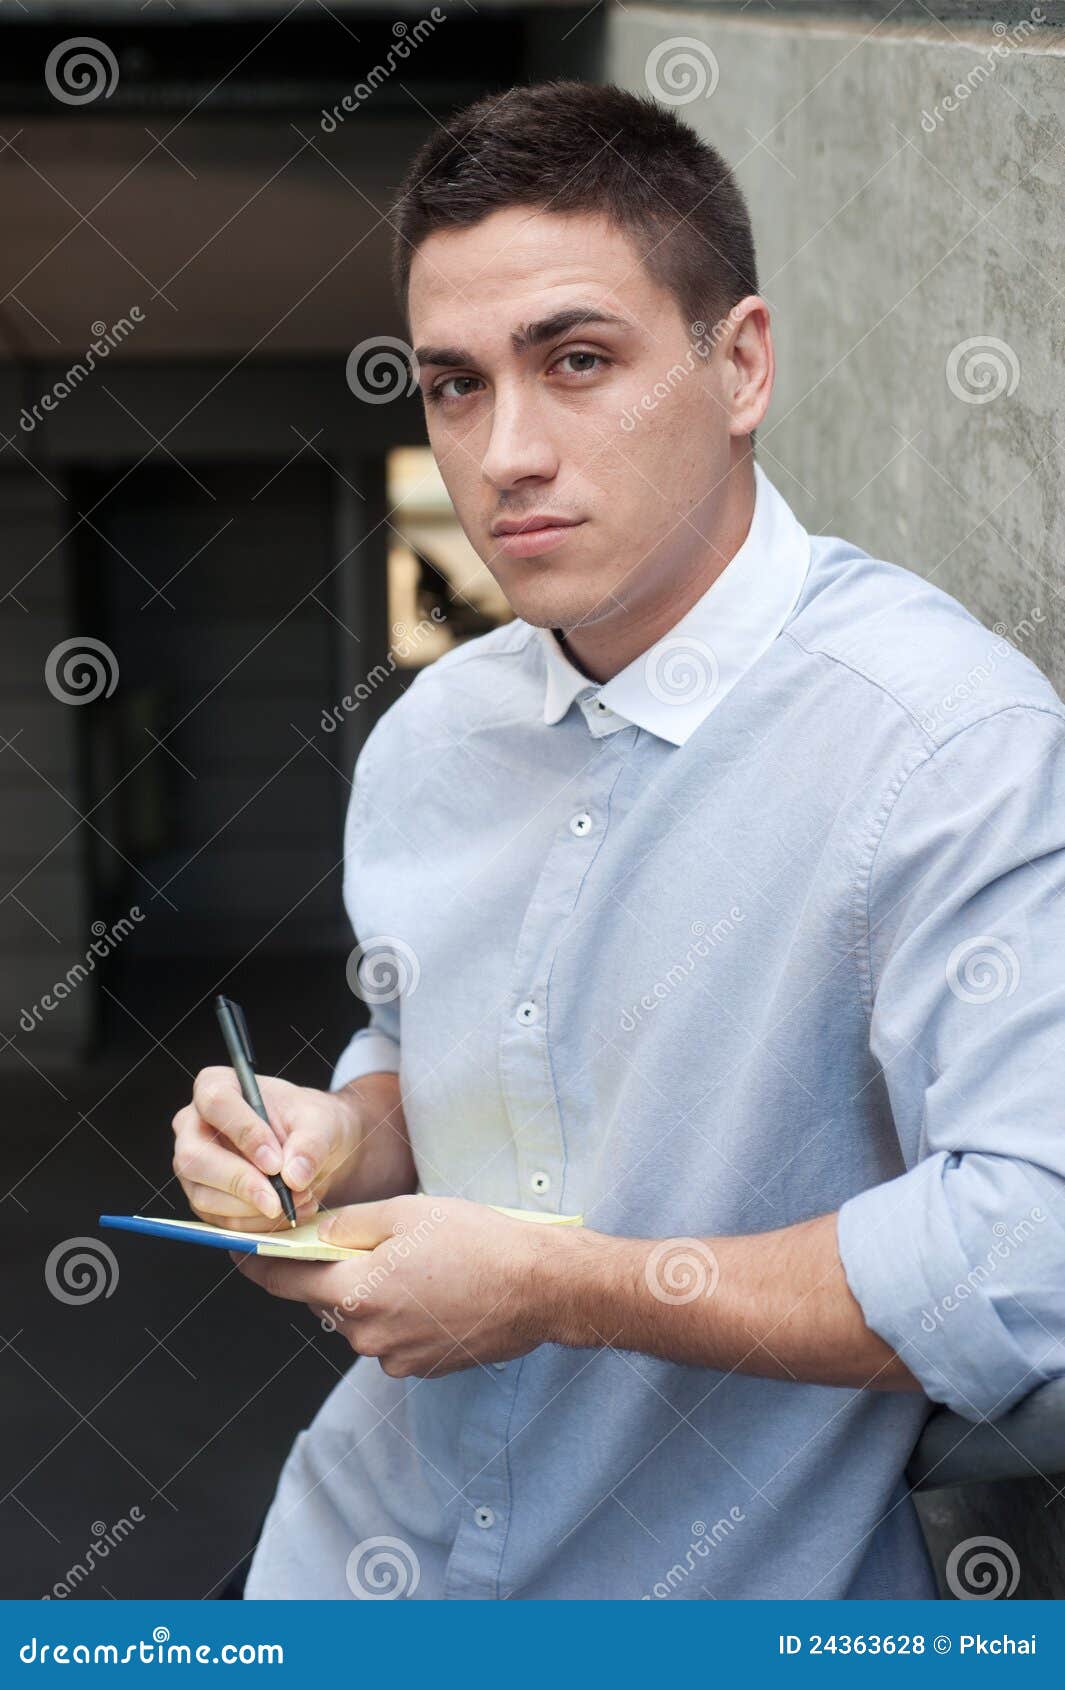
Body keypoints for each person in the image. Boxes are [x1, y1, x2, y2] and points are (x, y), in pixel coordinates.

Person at [172, 82, 1065, 1600]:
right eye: (453, 385)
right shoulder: (427, 744)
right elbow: (424, 1062)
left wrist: (560, 1291)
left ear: (742, 365)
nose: (504, 451)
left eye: (575, 361)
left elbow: (1026, 1252)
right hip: (344, 1574)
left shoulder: (940, 742)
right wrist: (324, 1142)